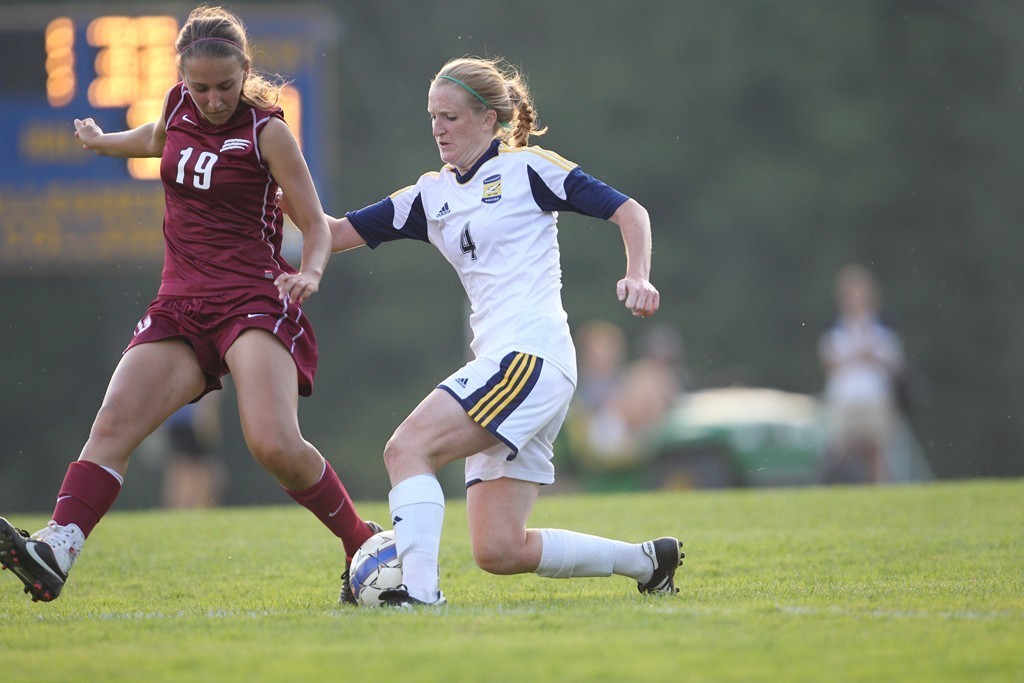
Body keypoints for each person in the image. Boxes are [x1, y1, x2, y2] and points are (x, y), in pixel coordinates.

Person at [0, 5, 378, 604]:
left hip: (254, 297)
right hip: (181, 303)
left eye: (225, 86)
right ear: (183, 79)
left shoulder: (268, 132)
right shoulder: (178, 104)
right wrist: (103, 144)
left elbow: (317, 223)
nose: (212, 99)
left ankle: (363, 542)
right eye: (200, 86)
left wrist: (309, 271)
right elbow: (156, 140)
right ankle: (57, 547)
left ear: (245, 71)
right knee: (113, 425)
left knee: (273, 444)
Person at [298, 56, 683, 606]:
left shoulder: (527, 168)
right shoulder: (431, 195)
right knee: (499, 550)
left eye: (450, 116)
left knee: (406, 449)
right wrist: (271, 186)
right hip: (520, 370)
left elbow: (631, 212)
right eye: (432, 116)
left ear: (489, 117)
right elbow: (331, 233)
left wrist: (638, 274)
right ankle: (648, 561)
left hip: (529, 359)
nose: (438, 129)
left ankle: (419, 595)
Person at [818, 263, 905, 483]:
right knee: (843, 448)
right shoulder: (835, 328)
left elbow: (893, 362)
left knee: (876, 448)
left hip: (874, 395)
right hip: (845, 397)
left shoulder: (882, 327)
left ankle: (876, 488)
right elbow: (829, 361)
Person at [159, 398, 226, 509]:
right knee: (196, 471)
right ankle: (192, 509)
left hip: (175, 418)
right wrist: (209, 426)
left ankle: (178, 510)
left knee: (181, 469)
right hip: (194, 422)